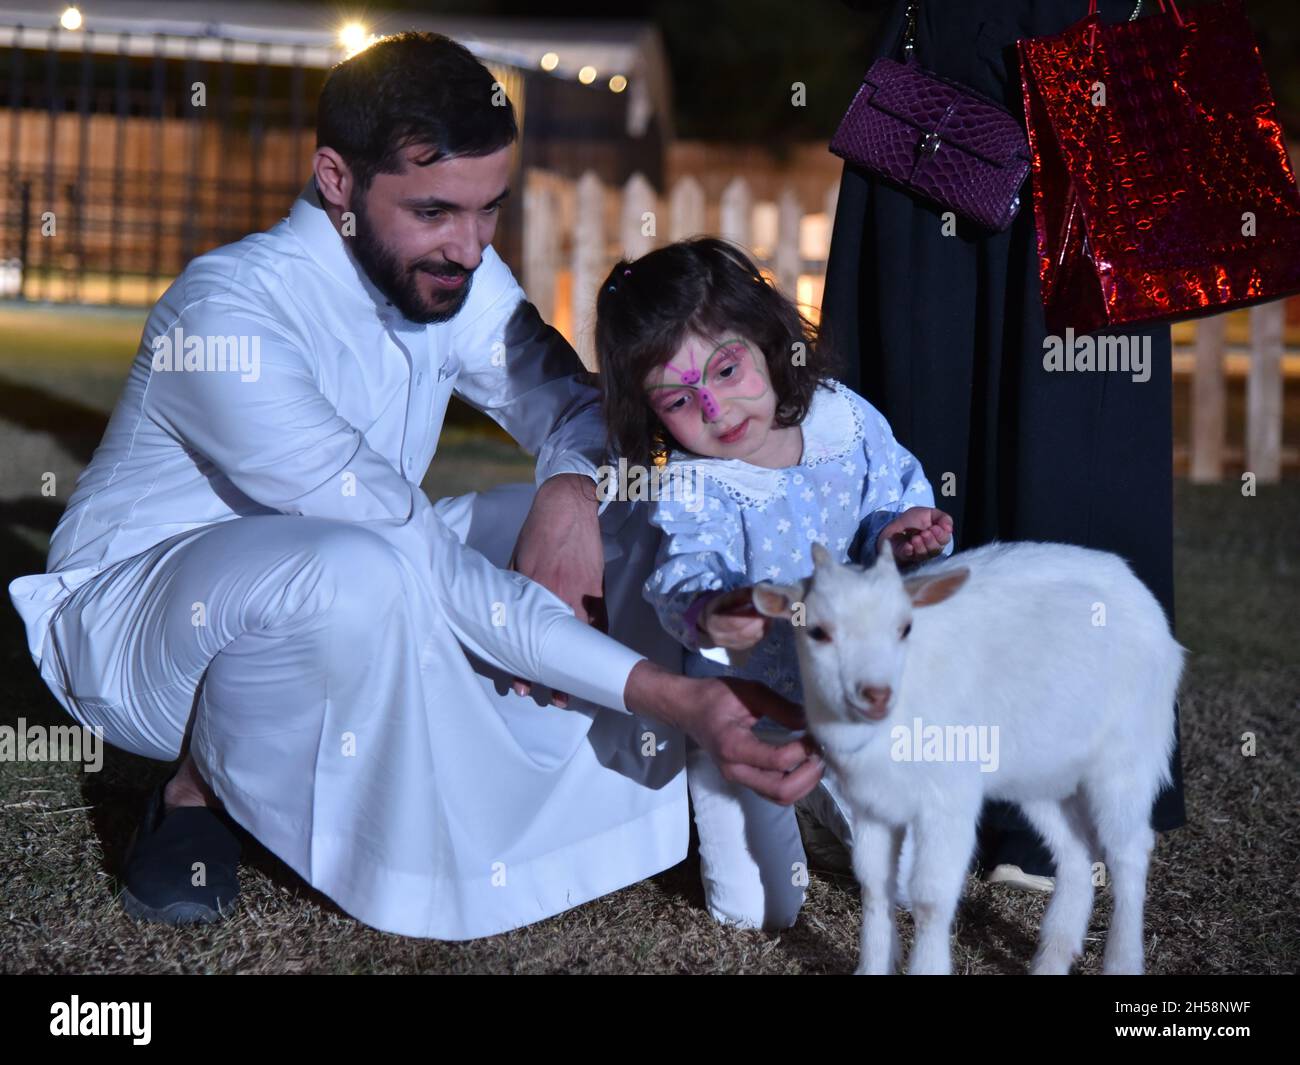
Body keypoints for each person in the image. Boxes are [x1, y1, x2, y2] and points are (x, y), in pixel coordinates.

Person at [6, 33, 826, 939]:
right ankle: (198, 792)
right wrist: (666, 694)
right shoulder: (228, 313)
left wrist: (567, 497)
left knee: (651, 514)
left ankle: (645, 795)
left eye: (489, 212)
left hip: (364, 566)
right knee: (358, 571)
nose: (470, 248)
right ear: (336, 180)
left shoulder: (456, 275)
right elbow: (409, 554)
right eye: (435, 211)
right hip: (144, 630)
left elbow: (575, 409)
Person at [821, 0, 1186, 887]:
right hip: (942, 78)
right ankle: (916, 782)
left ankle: (1056, 798)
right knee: (918, 411)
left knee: (1073, 441)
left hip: (1096, 63)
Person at [594, 237, 953, 929]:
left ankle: (824, 810)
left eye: (726, 369)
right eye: (678, 398)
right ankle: (772, 810)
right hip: (747, 711)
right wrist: (713, 610)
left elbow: (894, 497)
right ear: (651, 412)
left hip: (855, 695)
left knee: (918, 883)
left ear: (765, 338)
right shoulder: (694, 487)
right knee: (759, 913)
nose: (715, 408)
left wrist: (900, 531)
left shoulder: (841, 420)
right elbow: (683, 576)